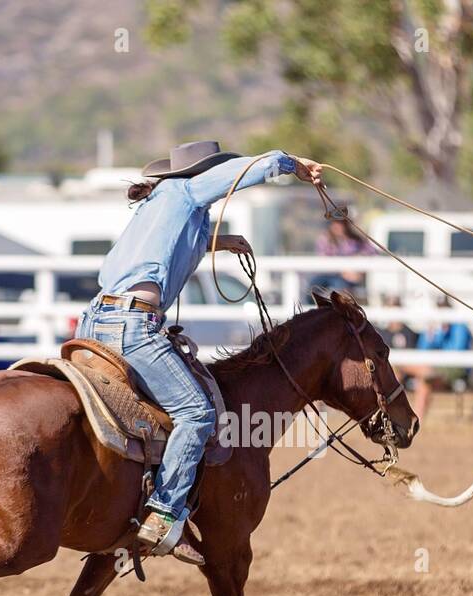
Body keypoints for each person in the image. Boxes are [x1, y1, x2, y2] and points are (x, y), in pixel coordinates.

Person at [79, 141, 322, 564]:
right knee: (196, 413)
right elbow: (244, 173)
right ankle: (163, 514)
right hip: (132, 327)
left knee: (150, 414)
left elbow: (174, 244)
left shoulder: (159, 205)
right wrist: (290, 163)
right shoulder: (187, 191)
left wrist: (219, 242)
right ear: (202, 172)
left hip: (93, 322)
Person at [312, 218, 373, 296]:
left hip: (349, 278)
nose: (339, 226)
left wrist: (359, 263)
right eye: (336, 223)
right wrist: (343, 272)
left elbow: (371, 251)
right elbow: (324, 261)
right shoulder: (325, 239)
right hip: (328, 275)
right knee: (312, 288)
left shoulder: (356, 240)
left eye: (342, 223)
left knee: (340, 287)